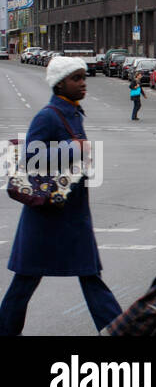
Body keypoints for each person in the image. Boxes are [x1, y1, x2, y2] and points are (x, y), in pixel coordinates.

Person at [0, 57, 123, 334]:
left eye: (83, 77)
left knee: (90, 277)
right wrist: (74, 148)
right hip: (46, 217)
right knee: (24, 283)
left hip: (71, 214)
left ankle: (119, 330)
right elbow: (31, 156)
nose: (83, 83)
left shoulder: (73, 112)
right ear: (59, 84)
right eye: (76, 78)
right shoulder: (48, 115)